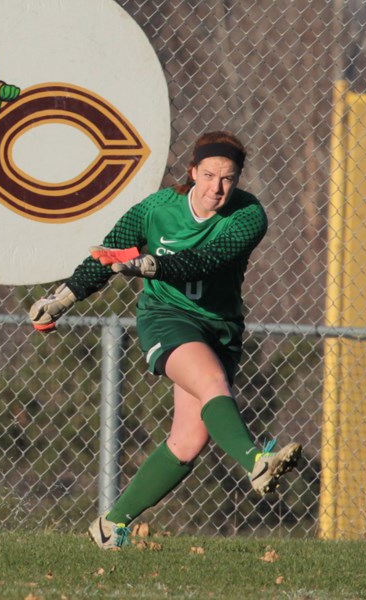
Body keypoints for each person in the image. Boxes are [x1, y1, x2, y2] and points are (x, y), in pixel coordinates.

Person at [29, 131, 302, 550]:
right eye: (208, 175)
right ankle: (257, 462)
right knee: (213, 383)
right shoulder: (155, 210)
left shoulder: (249, 215)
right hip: (167, 317)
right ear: (192, 172)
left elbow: (206, 261)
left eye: (228, 178)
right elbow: (106, 257)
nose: (216, 187)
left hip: (221, 328)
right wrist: (61, 300)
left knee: (188, 441)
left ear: (239, 179)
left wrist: (148, 265)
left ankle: (110, 525)